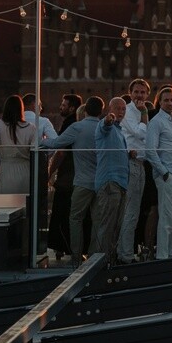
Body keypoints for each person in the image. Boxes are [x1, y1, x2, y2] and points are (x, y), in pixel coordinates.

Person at [41, 96, 107, 261]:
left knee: (75, 218)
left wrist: (39, 142)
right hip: (101, 182)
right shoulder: (104, 128)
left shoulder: (78, 127)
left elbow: (57, 144)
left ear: (85, 111)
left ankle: (76, 255)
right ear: (101, 111)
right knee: (97, 220)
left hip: (82, 182)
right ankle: (94, 255)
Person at [144, 85, 172, 259]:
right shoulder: (156, 122)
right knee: (166, 218)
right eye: (166, 100)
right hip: (167, 174)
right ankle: (162, 256)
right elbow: (150, 150)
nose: (170, 103)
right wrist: (164, 172)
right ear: (160, 102)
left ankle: (171, 252)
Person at [90, 97, 130, 258]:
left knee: (115, 226)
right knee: (106, 225)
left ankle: (109, 261)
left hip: (121, 183)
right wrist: (108, 120)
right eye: (117, 108)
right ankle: (98, 262)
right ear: (109, 109)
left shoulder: (119, 131)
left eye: (123, 109)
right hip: (109, 182)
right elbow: (105, 126)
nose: (121, 112)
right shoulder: (105, 125)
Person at [117, 78, 152, 261]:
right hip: (131, 164)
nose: (139, 95)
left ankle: (125, 251)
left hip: (140, 164)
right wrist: (144, 116)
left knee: (133, 212)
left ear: (148, 94)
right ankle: (125, 255)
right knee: (130, 212)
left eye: (142, 92)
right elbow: (140, 133)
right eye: (136, 92)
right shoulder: (129, 111)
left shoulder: (140, 112)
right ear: (130, 93)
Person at [46, 93, 83, 261]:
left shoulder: (70, 124)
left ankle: (61, 247)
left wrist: (50, 171)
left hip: (68, 176)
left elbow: (61, 151)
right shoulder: (78, 123)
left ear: (72, 108)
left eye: (63, 105)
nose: (60, 107)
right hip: (77, 175)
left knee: (62, 211)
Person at [0, 94, 39, 196]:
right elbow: (36, 149)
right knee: (25, 202)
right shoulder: (31, 128)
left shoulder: (0, 125)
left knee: (7, 201)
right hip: (26, 170)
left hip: (7, 170)